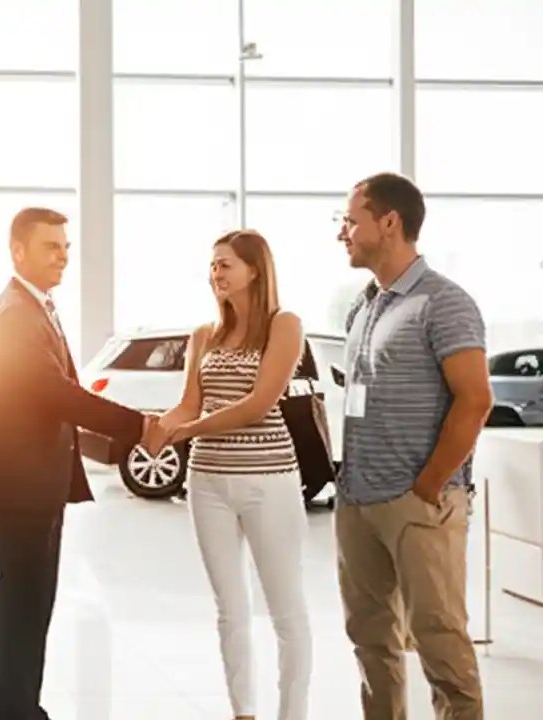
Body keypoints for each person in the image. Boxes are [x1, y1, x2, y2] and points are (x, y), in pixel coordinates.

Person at [0, 207, 148, 720]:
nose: (63, 256)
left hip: (33, 479)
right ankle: (17, 712)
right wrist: (139, 427)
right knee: (24, 602)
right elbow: (55, 394)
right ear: (18, 251)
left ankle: (25, 707)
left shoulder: (35, 305)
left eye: (66, 247)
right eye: (52, 246)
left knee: (32, 602)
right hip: (18, 482)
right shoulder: (16, 314)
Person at [333, 172, 491, 719]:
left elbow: (475, 400)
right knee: (371, 642)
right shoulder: (365, 304)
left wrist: (429, 484)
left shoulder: (443, 302)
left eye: (351, 220)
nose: (343, 233)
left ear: (389, 222)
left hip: (418, 503)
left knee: (440, 641)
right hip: (357, 501)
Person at [145, 230, 313, 720]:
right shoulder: (203, 335)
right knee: (229, 609)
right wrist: (152, 429)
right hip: (209, 481)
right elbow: (188, 403)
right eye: (213, 265)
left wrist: (189, 430)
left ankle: (292, 714)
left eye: (225, 265)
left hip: (270, 479)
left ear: (255, 270)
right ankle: (243, 712)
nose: (215, 274)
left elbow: (260, 404)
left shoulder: (285, 325)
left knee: (286, 610)